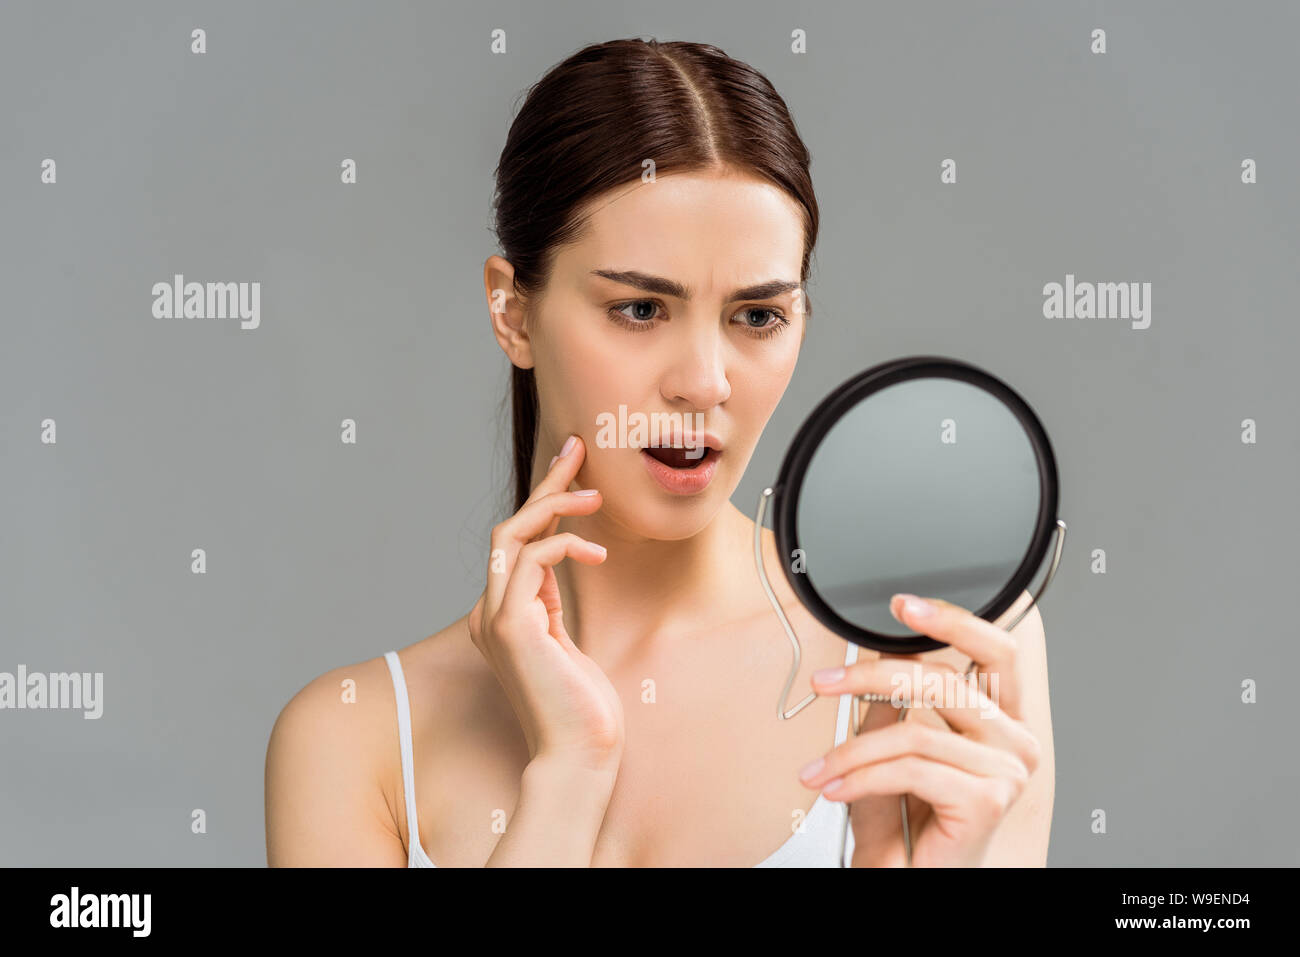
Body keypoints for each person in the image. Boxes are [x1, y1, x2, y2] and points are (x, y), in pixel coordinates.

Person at [265, 37, 1054, 867]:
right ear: (513, 312)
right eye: (641, 309)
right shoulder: (354, 742)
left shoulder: (935, 658)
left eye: (757, 317)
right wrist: (570, 774)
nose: (704, 383)